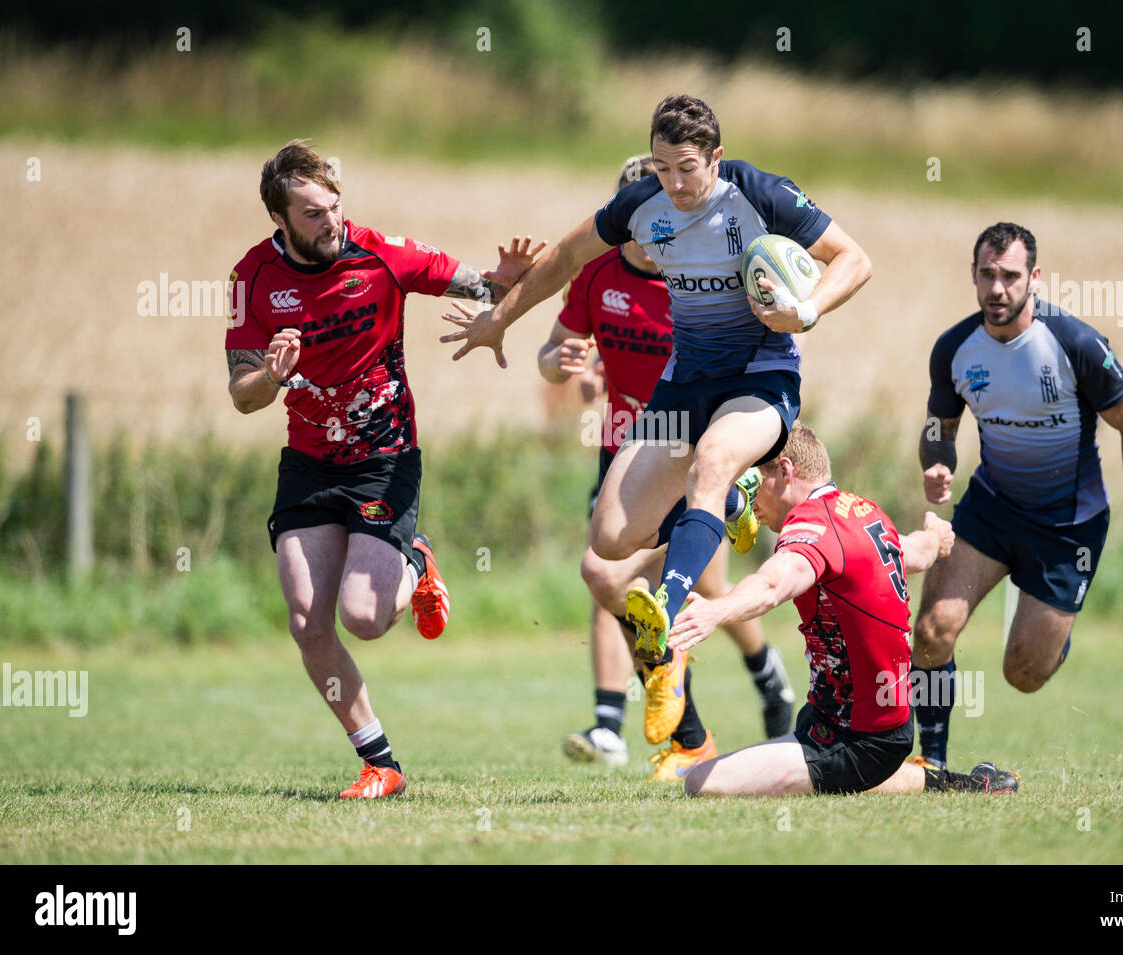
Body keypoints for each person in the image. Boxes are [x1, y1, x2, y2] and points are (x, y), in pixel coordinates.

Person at [442, 94, 873, 687]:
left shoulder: (762, 193)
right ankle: (729, 504)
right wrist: (500, 319)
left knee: (714, 462)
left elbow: (854, 258)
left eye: (686, 168)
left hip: (760, 374)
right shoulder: (641, 206)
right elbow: (566, 255)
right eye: (662, 167)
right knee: (610, 539)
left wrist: (807, 309)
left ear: (716, 158)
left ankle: (666, 610)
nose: (673, 183)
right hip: (683, 383)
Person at [224, 140, 542, 798]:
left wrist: (505, 280)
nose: (331, 221)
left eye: (335, 206)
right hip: (309, 465)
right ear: (279, 221)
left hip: (383, 460)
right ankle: (381, 763)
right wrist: (272, 377)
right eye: (312, 213)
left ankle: (416, 563)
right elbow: (241, 393)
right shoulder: (250, 280)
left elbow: (483, 285)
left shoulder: (380, 254)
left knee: (364, 618)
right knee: (307, 619)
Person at [538, 155, 796, 774]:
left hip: (693, 449)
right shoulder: (598, 275)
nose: (660, 227)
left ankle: (663, 721)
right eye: (645, 216)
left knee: (617, 577)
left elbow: (770, 336)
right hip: (625, 451)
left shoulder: (699, 277)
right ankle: (752, 685)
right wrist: (564, 362)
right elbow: (552, 353)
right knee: (639, 583)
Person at [909, 221, 1123, 770]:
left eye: (1009, 276)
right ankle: (930, 762)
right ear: (973, 276)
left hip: (1068, 527)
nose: (997, 289)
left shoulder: (1075, 344)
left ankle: (1053, 634)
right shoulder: (955, 348)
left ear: (1035, 278)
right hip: (992, 509)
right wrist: (937, 465)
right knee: (931, 632)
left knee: (1022, 675)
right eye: (986, 275)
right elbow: (939, 429)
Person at [667, 422, 1019, 796]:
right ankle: (967, 784)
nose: (750, 501)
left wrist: (715, 612)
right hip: (854, 721)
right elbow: (914, 551)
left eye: (755, 482)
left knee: (700, 783)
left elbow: (774, 583)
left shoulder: (814, 525)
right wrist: (935, 535)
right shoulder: (863, 512)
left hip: (857, 734)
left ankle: (938, 782)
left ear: (785, 472)